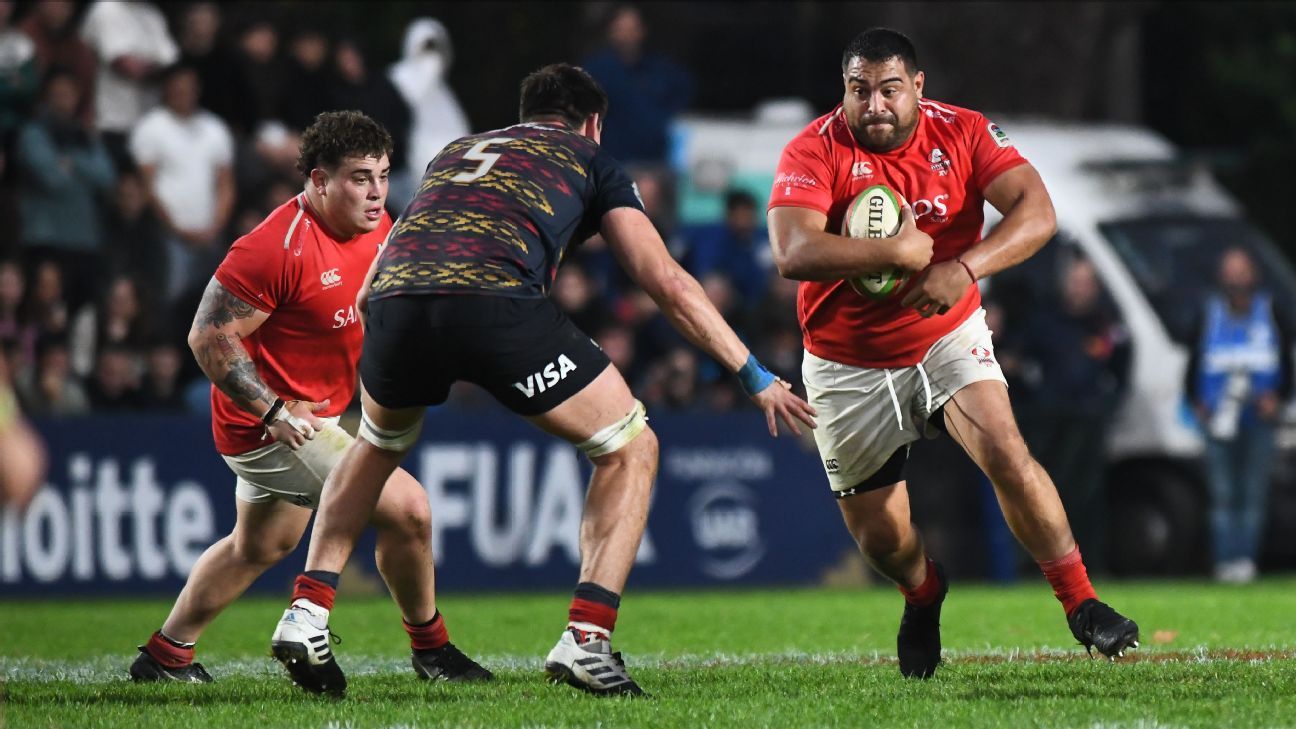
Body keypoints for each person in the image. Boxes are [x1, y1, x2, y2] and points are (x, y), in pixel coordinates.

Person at [268, 63, 816, 698]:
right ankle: (586, 639)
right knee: (630, 446)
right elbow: (663, 279)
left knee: (376, 447)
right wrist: (752, 373)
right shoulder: (589, 156)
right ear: (593, 123)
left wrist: (398, 347)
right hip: (494, 302)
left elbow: (370, 286)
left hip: (394, 302)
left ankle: (306, 612)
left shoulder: (458, 150)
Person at [765, 28, 1139, 679]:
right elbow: (794, 252)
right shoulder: (815, 147)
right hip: (846, 360)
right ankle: (923, 591)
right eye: (859, 91)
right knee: (882, 539)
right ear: (844, 92)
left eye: (887, 89)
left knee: (1005, 449)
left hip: (946, 334)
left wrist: (965, 269)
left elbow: (1037, 210)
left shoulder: (962, 132)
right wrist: (896, 252)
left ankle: (1082, 602)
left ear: (917, 87)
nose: (874, 105)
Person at [128, 111, 489, 686]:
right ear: (319, 181)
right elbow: (208, 335)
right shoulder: (275, 246)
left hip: (303, 417)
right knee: (411, 511)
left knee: (260, 544)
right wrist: (271, 412)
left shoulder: (376, 225)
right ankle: (432, 650)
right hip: (272, 425)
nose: (375, 193)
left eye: (383, 175)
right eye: (358, 178)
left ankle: (166, 655)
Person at [1184, 246, 1293, 584]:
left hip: (1258, 421)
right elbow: (1194, 364)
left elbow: (1286, 363)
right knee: (1223, 494)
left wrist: (1278, 398)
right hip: (1218, 422)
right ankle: (1224, 562)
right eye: (1230, 271)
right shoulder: (1209, 313)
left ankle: (1245, 562)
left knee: (1252, 494)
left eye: (1241, 271)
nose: (1235, 279)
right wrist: (1196, 401)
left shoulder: (1270, 311)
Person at [129, 63, 235, 305]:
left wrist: (215, 227)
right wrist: (177, 229)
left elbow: (226, 184)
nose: (183, 94)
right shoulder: (151, 127)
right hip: (169, 236)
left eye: (188, 89)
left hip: (211, 237)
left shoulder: (215, 128)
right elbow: (148, 186)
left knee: (215, 306)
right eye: (178, 88)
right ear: (167, 89)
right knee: (173, 299)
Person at [15, 67, 115, 314]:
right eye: (57, 94)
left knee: (82, 313)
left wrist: (70, 162)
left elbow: (107, 176)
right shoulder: (32, 133)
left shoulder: (85, 135)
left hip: (84, 241)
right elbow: (52, 178)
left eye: (68, 95)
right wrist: (80, 169)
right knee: (43, 314)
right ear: (46, 97)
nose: (63, 101)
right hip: (45, 239)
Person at [581, 4, 693, 166]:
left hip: (654, 161)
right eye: (621, 29)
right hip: (611, 161)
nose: (627, 35)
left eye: (632, 29)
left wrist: (662, 118)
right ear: (611, 32)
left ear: (642, 31)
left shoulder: (661, 69)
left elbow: (683, 91)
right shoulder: (596, 71)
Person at [386, 17, 468, 212]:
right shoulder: (398, 78)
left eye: (435, 48)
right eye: (426, 48)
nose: (431, 58)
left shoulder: (444, 92)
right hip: (410, 178)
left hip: (454, 180)